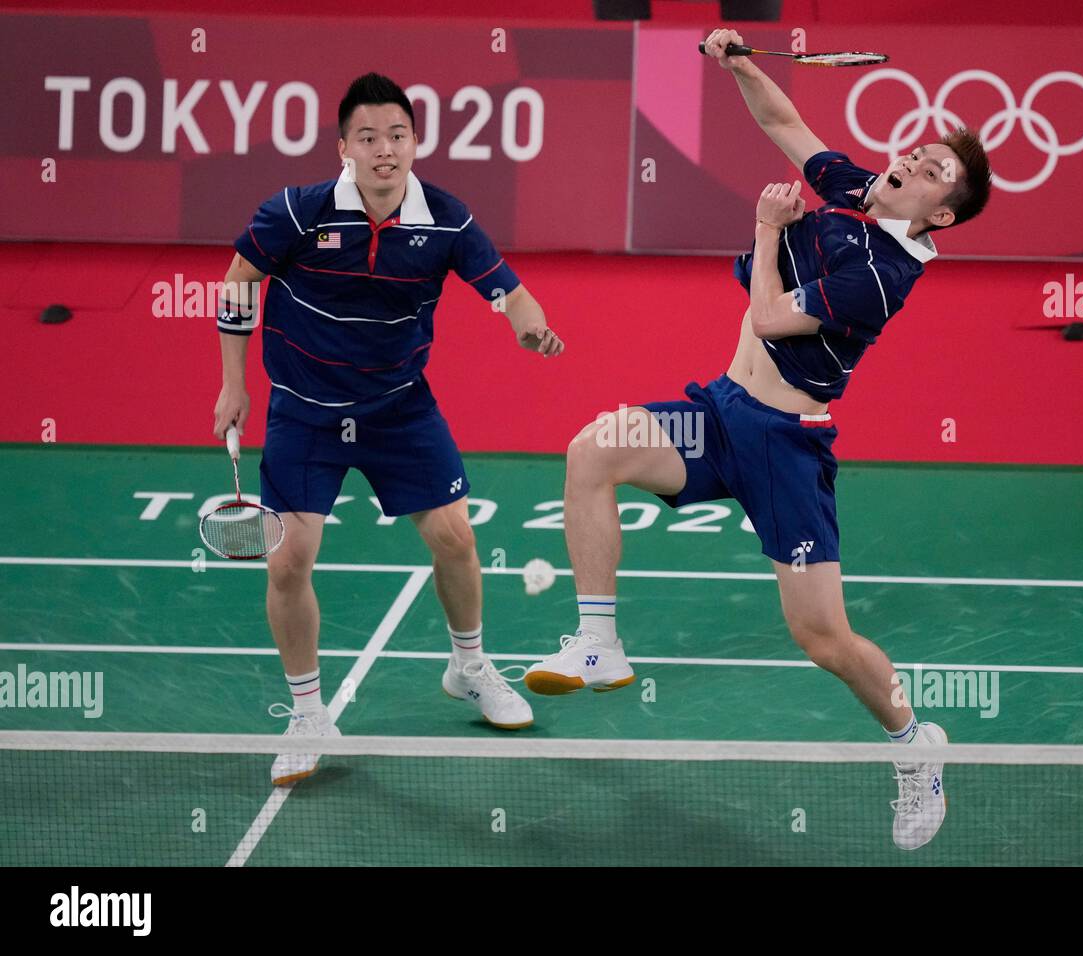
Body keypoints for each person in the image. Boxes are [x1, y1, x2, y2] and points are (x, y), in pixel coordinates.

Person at [525, 29, 991, 849]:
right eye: (918, 152)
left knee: (822, 639)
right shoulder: (856, 192)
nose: (915, 162)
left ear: (941, 213)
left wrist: (769, 229)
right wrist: (738, 64)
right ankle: (599, 642)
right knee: (592, 448)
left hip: (784, 447)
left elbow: (774, 320)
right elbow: (786, 125)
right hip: (719, 415)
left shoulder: (884, 276)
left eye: (934, 172)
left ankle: (916, 747)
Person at [212, 73, 563, 786]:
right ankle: (309, 713)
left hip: (398, 407)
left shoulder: (446, 219)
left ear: (415, 141)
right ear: (344, 147)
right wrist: (232, 382)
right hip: (304, 410)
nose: (384, 151)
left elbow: (505, 287)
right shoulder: (297, 212)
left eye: (397, 136)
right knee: (287, 561)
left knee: (454, 537)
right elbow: (240, 278)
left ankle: (467, 666)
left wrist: (529, 323)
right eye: (368, 138)